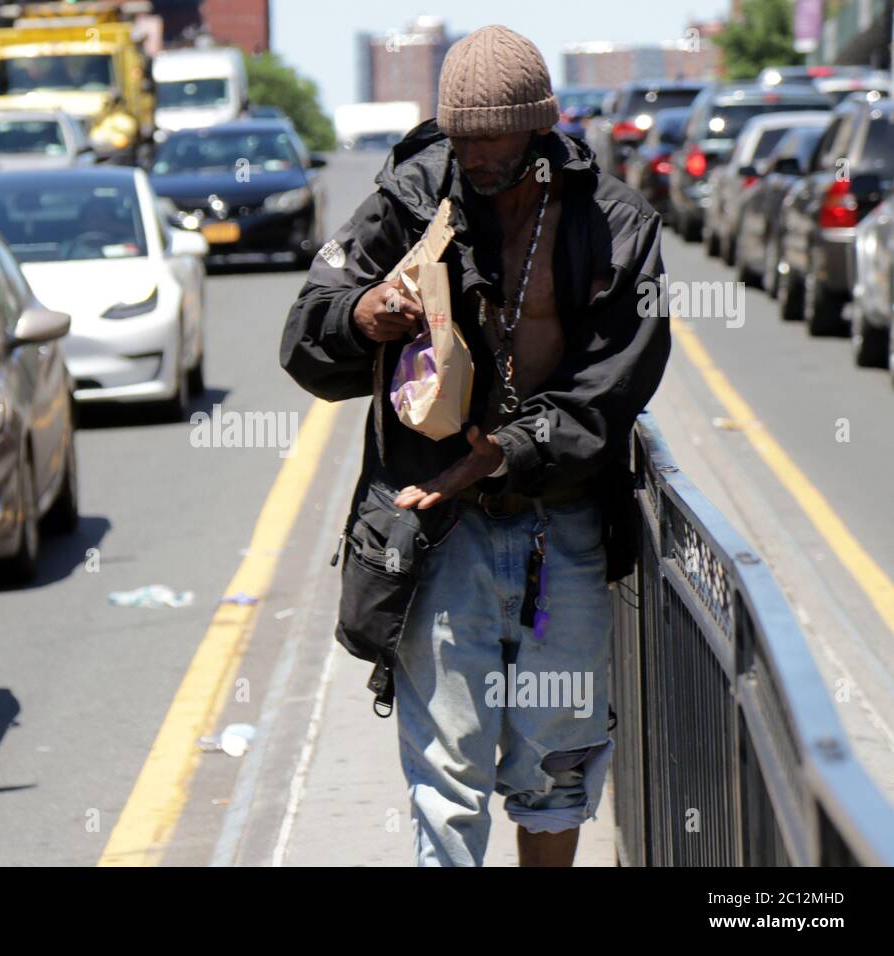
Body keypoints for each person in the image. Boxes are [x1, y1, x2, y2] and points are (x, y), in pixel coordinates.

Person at [280, 24, 671, 867]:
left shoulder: (612, 223)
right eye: (461, 134)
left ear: (538, 124)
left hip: (560, 521)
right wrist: (360, 315)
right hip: (438, 521)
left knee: (555, 757)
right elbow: (303, 335)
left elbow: (618, 381)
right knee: (446, 768)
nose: (474, 153)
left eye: (491, 135)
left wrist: (507, 451)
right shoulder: (410, 197)